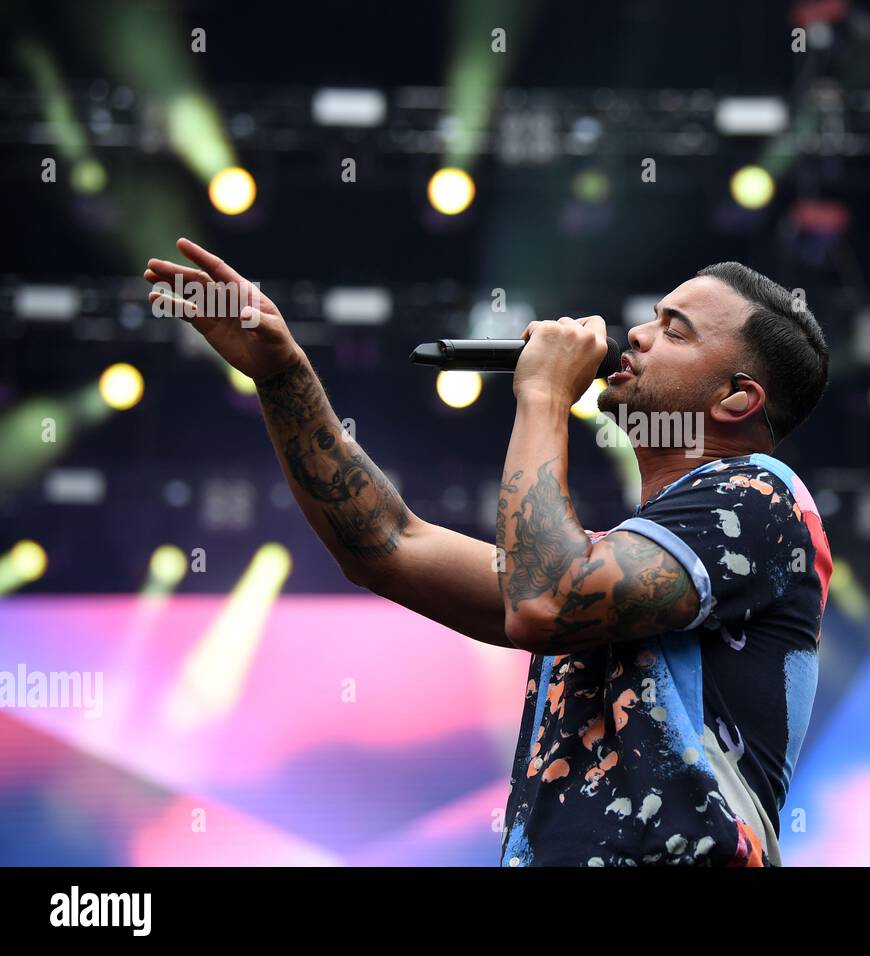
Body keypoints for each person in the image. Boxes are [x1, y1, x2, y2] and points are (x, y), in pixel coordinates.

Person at [144, 240, 832, 866]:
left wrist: (542, 395)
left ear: (737, 397)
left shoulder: (762, 498)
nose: (638, 336)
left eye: (675, 330)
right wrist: (282, 372)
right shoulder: (607, 567)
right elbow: (387, 545)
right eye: (653, 317)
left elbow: (543, 601)